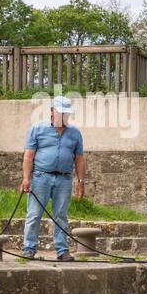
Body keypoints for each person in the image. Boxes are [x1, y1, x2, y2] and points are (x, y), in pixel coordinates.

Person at [20, 96, 85, 261]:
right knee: (34, 214)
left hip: (64, 179)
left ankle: (62, 251)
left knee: (61, 215)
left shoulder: (75, 133)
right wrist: (26, 179)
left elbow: (79, 159)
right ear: (51, 111)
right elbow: (28, 156)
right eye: (60, 112)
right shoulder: (37, 129)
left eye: (66, 113)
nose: (63, 116)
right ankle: (29, 249)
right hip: (40, 177)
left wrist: (81, 181)